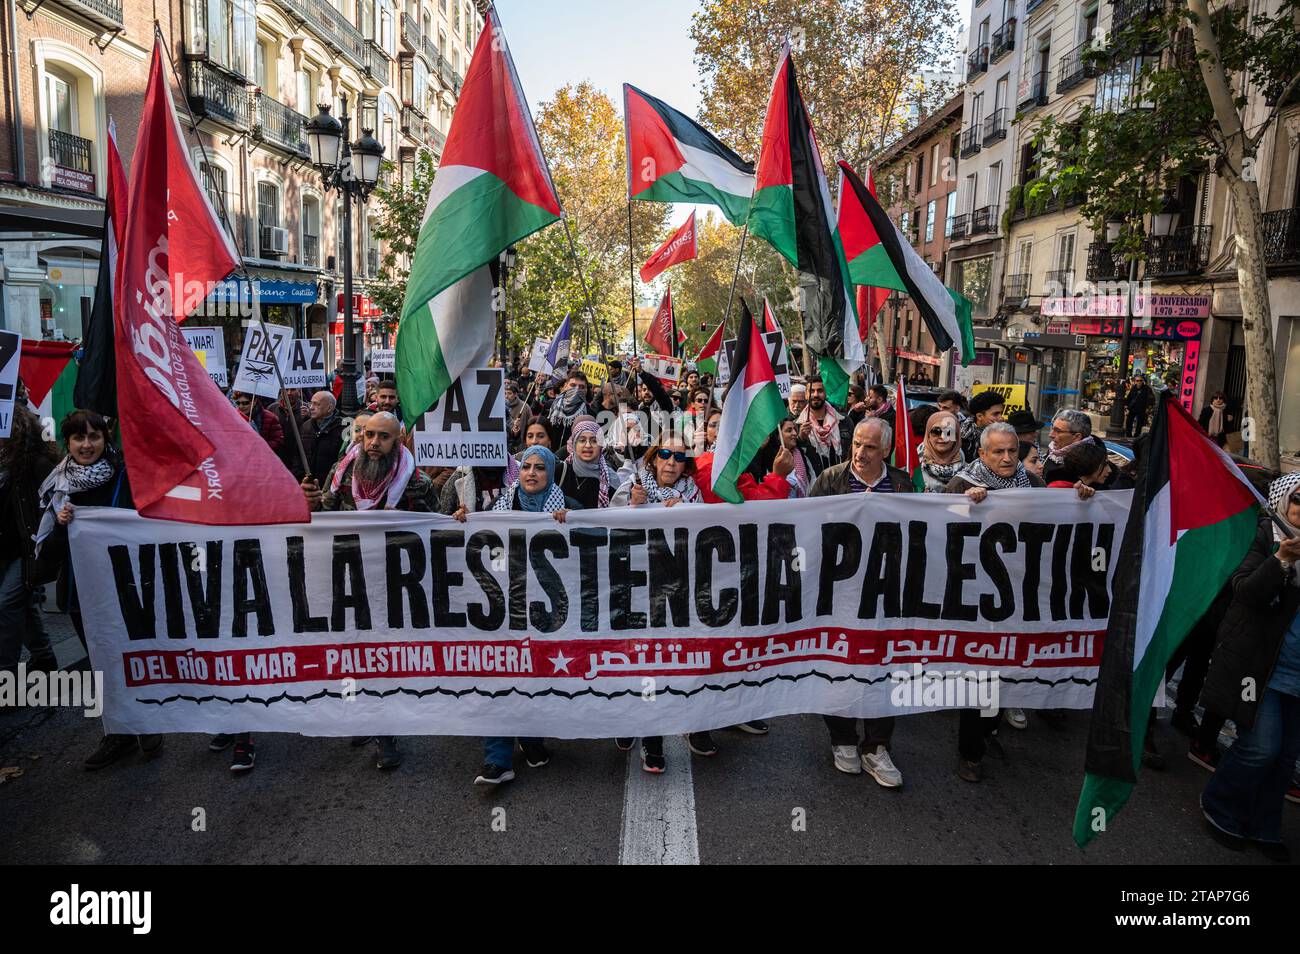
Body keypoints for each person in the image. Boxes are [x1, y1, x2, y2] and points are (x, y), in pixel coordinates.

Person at [302, 411, 437, 771]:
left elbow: (437, 529)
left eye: (383, 437)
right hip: (347, 580)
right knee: (353, 655)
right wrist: (310, 504)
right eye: (369, 435)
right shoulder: (342, 474)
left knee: (382, 659)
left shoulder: (417, 483)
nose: (374, 443)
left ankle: (385, 731)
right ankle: (367, 718)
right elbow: (323, 516)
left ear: (399, 442)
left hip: (393, 584)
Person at [36, 410, 163, 770]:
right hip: (81, 593)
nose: (87, 445)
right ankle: (118, 734)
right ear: (68, 443)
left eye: (94, 437)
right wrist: (62, 526)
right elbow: (47, 554)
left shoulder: (126, 477)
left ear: (106, 440)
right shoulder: (57, 485)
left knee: (133, 656)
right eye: (79, 438)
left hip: (126, 587)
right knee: (100, 663)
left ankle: (148, 723)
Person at [458, 445, 579, 786]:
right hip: (506, 612)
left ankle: (531, 738)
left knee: (536, 679)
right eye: (526, 466)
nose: (531, 473)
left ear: (551, 473)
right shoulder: (500, 507)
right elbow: (489, 554)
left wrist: (570, 520)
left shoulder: (567, 506)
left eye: (540, 467)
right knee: (501, 677)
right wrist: (465, 522)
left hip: (547, 617)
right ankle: (497, 759)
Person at [1199, 473, 1300, 862]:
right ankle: (1220, 805)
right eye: (1299, 500)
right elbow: (1246, 592)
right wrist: (1282, 561)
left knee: (1285, 757)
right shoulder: (1262, 535)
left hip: (1296, 674)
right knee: (1260, 748)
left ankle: (1263, 825)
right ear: (1282, 502)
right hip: (1258, 668)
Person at [807, 418, 911, 787]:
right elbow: (806, 525)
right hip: (839, 592)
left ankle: (877, 746)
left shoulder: (902, 484)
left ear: (886, 450)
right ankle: (843, 739)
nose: (861, 453)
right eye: (857, 445)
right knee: (839, 665)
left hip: (886, 592)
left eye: (870, 447)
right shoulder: (830, 480)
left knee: (885, 667)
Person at [610, 436, 707, 770]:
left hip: (672, 594)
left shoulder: (693, 495)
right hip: (633, 590)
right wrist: (632, 507)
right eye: (664, 453)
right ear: (652, 458)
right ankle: (627, 719)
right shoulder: (631, 486)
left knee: (659, 666)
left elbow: (707, 534)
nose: (671, 461)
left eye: (679, 457)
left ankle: (652, 740)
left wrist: (687, 513)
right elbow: (606, 528)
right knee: (631, 662)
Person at [0, 406, 59, 678]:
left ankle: (5, 678)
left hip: (27, 550)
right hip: (7, 548)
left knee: (6, 605)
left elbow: (52, 507)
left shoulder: (35, 463)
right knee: (20, 605)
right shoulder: (5, 459)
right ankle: (44, 657)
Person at [557, 417, 619, 509]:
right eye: (582, 440)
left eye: (594, 441)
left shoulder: (609, 479)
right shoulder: (560, 471)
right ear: (574, 444)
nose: (588, 445)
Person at [796, 376, 849, 476]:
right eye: (812, 391)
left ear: (826, 393)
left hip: (841, 482)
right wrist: (801, 438)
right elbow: (794, 457)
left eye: (820, 390)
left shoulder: (843, 421)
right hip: (813, 484)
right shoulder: (797, 425)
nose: (816, 395)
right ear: (806, 395)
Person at [297, 390, 344, 488]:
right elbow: (298, 456)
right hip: (308, 483)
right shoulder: (306, 426)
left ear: (329, 408)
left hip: (330, 485)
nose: (311, 407)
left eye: (316, 404)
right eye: (311, 403)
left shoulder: (343, 427)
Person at [916, 409, 964, 493]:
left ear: (956, 436)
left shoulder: (970, 471)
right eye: (936, 431)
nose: (942, 436)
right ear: (928, 435)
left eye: (949, 432)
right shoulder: (913, 467)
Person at [1042, 408, 1092, 484]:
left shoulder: (1088, 465)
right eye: (1052, 428)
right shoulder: (1053, 452)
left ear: (1077, 437)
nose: (1051, 435)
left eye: (1058, 431)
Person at [548, 369, 590, 448]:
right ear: (566, 386)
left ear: (586, 390)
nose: (577, 389)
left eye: (581, 387)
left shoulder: (589, 413)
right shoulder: (551, 406)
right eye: (573, 385)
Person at [959, 390, 1004, 461]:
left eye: (1001, 413)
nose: (1001, 418)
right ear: (979, 416)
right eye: (995, 414)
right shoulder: (960, 437)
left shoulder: (1006, 436)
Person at [504, 378, 533, 454]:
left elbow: (531, 424)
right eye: (505, 393)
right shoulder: (501, 407)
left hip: (521, 445)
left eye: (509, 393)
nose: (506, 396)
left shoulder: (525, 407)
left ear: (515, 394)